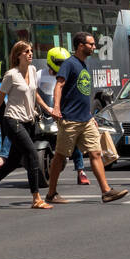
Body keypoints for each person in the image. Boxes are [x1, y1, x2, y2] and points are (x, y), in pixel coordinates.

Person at [46, 32, 128, 204]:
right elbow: (59, 85)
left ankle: (106, 191)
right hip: (70, 119)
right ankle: (51, 193)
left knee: (96, 153)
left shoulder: (83, 65)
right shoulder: (69, 64)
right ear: (80, 45)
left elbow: (81, 93)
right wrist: (56, 108)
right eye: (91, 44)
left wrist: (91, 115)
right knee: (60, 157)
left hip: (86, 119)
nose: (94, 47)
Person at [0, 41, 54, 209]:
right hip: (13, 121)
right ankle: (36, 199)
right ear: (18, 55)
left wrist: (48, 108)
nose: (30, 54)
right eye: (26, 51)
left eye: (31, 51)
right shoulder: (11, 75)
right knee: (32, 155)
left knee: (12, 162)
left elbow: (35, 95)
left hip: (28, 121)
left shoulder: (33, 71)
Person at [39, 49, 90, 184]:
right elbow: (32, 90)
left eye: (64, 62)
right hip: (46, 111)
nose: (63, 65)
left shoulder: (68, 72)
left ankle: (81, 171)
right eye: (60, 63)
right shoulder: (39, 75)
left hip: (65, 112)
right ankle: (3, 159)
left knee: (74, 142)